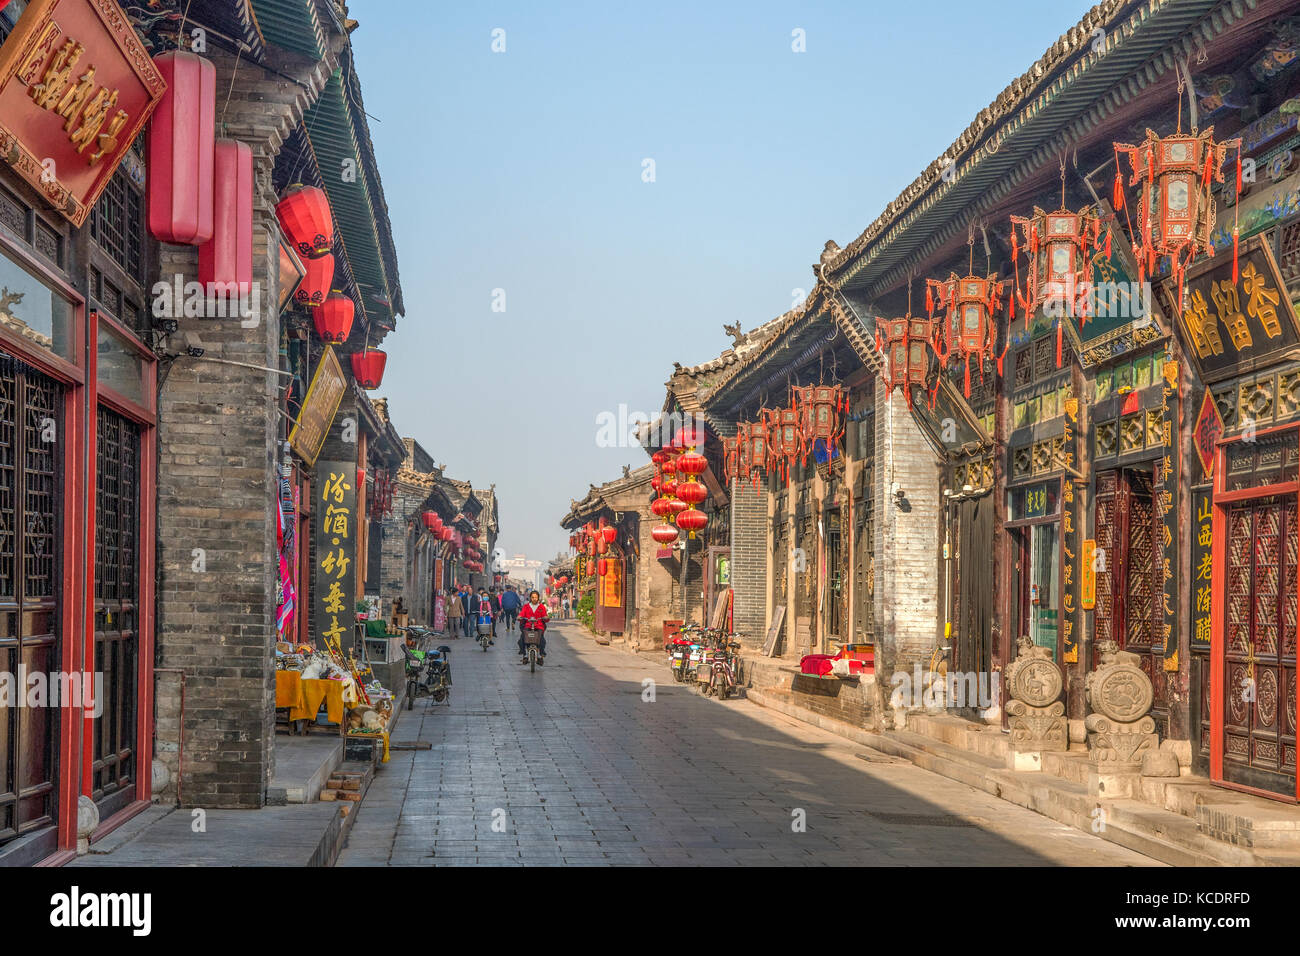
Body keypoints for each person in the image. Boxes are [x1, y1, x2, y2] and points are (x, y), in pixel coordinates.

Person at [518, 589, 549, 664]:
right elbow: (521, 615)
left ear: (538, 598)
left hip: (539, 626)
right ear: (530, 598)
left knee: (541, 640)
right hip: (528, 625)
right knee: (522, 638)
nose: (534, 599)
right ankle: (524, 654)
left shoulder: (541, 607)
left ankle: (541, 654)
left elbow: (545, 616)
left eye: (536, 597)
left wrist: (546, 617)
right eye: (532, 597)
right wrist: (519, 617)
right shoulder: (526, 606)